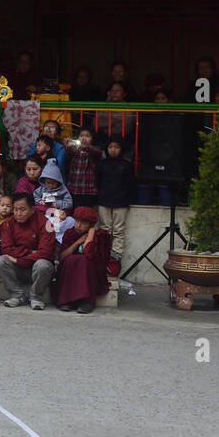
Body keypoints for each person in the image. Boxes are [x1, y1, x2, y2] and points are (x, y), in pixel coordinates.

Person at [0, 192, 56, 309]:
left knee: (43, 264)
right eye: (15, 209)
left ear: (32, 209)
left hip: (37, 269)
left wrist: (19, 260)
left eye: (22, 209)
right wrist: (30, 252)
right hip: (19, 268)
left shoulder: (46, 223)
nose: (18, 214)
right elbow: (6, 249)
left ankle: (36, 297)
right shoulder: (8, 223)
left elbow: (46, 252)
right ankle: (17, 295)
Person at [54, 207, 111, 313]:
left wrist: (90, 235)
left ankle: (86, 301)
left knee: (83, 261)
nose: (78, 225)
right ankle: (67, 300)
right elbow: (61, 257)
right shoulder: (70, 233)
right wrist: (77, 242)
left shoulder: (100, 235)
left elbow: (88, 253)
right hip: (70, 269)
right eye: (76, 221)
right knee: (70, 259)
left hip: (90, 270)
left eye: (83, 223)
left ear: (90, 224)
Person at [96, 136, 134, 278]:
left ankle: (114, 258)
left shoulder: (127, 165)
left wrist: (128, 199)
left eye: (116, 147)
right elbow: (98, 182)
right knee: (105, 230)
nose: (113, 150)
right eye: (110, 147)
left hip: (121, 202)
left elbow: (131, 184)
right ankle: (103, 255)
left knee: (118, 231)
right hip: (104, 201)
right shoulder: (102, 164)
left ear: (121, 149)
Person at [63, 126, 100, 209]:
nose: (84, 138)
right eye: (81, 136)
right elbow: (68, 155)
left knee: (86, 216)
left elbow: (96, 153)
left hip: (88, 191)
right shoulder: (74, 150)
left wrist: (86, 145)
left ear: (92, 139)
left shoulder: (95, 150)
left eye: (87, 136)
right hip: (73, 190)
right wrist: (67, 147)